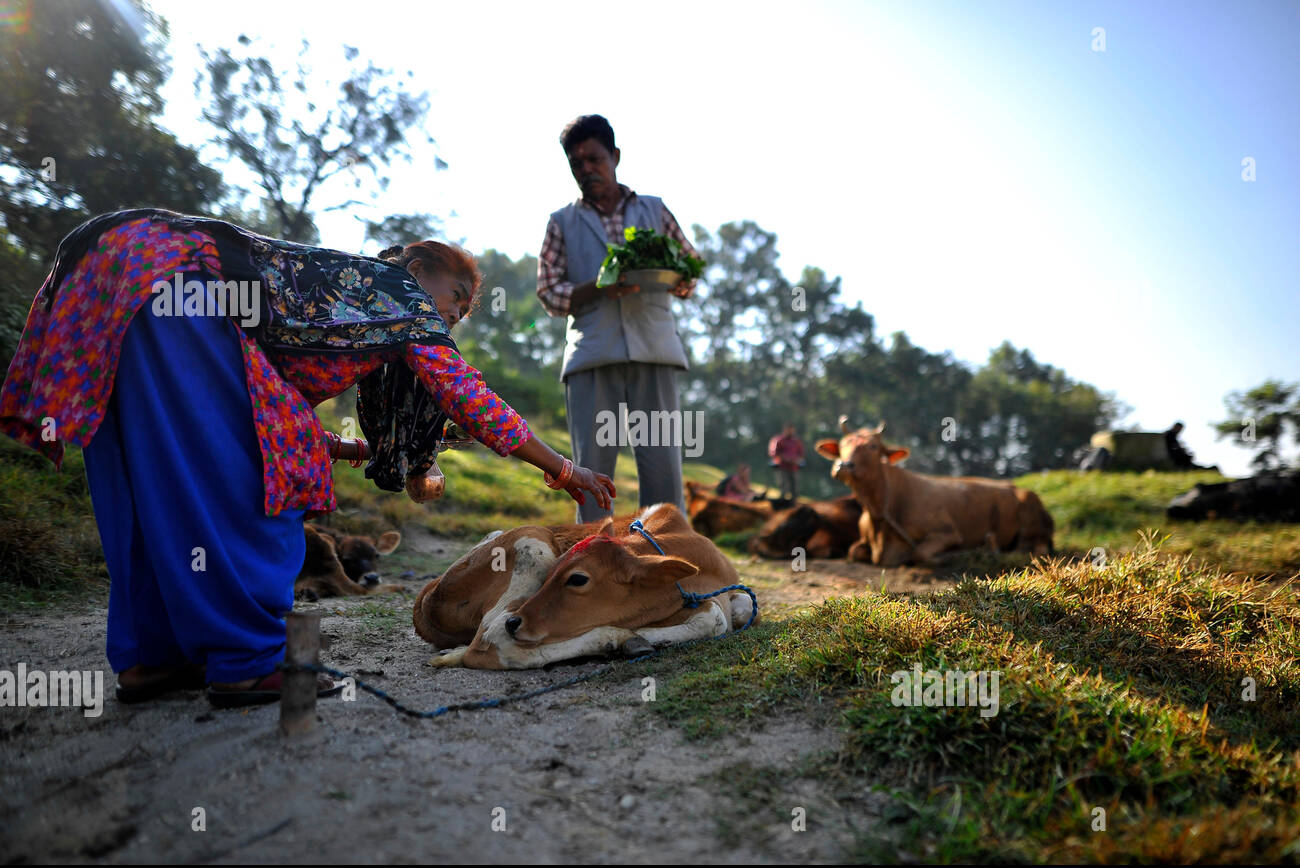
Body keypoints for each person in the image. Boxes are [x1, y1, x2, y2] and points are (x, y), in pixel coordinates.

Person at [0, 208, 615, 707]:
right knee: (258, 489)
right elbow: (466, 395)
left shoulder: (336, 307)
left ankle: (150, 659)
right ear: (418, 266)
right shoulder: (396, 292)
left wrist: (349, 446)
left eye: (458, 312)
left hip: (117, 264)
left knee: (149, 474)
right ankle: (249, 661)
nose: (450, 318)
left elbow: (237, 419)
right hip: (182, 279)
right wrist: (563, 468)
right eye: (454, 299)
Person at [537, 114, 698, 523]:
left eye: (594, 159)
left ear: (616, 156)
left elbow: (689, 267)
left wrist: (677, 279)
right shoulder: (562, 222)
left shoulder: (654, 210)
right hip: (592, 356)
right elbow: (550, 294)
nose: (586, 170)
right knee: (590, 476)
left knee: (664, 473)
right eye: (577, 164)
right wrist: (598, 287)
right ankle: (591, 565)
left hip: (654, 352)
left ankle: (666, 563)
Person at [768, 423, 805, 500]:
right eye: (789, 430)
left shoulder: (796, 441)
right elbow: (773, 453)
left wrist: (796, 460)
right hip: (782, 467)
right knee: (783, 485)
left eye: (792, 430)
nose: (790, 432)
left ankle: (794, 503)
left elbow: (801, 454)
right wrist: (784, 458)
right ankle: (783, 502)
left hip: (793, 467)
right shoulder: (778, 440)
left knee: (794, 486)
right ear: (785, 430)